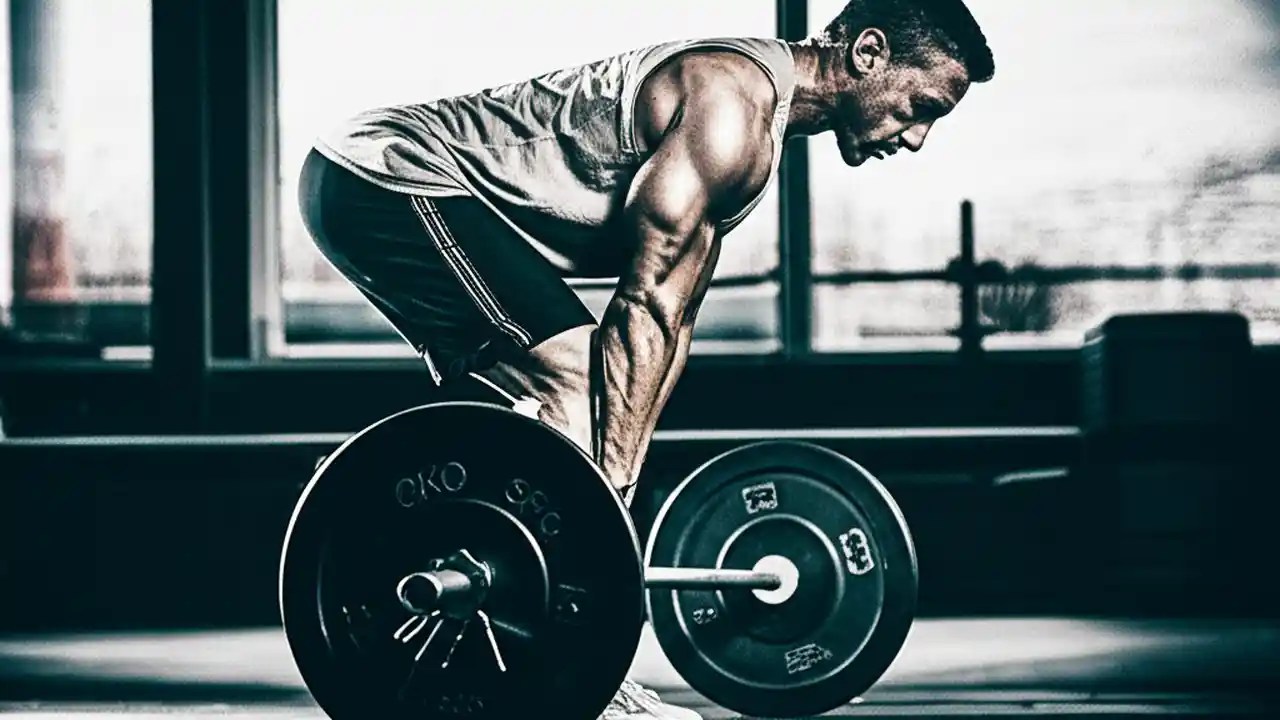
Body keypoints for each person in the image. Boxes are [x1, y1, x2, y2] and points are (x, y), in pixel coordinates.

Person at [298, 0, 993, 716]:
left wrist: (612, 486)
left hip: (386, 182)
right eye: (922, 106)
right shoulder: (728, 107)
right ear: (869, 54)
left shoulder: (753, 123)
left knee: (568, 422)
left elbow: (673, 321)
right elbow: (643, 308)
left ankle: (528, 642)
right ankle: (579, 682)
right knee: (570, 380)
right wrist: (606, 499)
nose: (916, 139)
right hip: (382, 174)